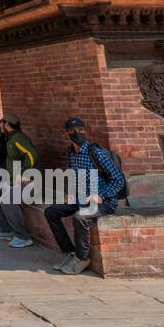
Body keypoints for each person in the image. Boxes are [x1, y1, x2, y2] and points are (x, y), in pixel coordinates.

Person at [43, 118, 125, 275]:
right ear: (67, 133)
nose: (78, 134)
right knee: (51, 212)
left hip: (104, 201)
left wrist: (101, 195)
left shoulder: (96, 152)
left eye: (81, 130)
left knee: (80, 217)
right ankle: (70, 252)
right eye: (73, 131)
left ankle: (82, 258)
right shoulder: (71, 153)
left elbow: (118, 179)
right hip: (81, 198)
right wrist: (69, 193)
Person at [0, 111, 38, 249]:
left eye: (1, 123)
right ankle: (6, 230)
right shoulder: (9, 138)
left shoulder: (18, 139)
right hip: (12, 181)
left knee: (7, 198)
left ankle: (22, 236)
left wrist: (25, 173)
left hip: (29, 183)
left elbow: (32, 155)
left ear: (7, 124)